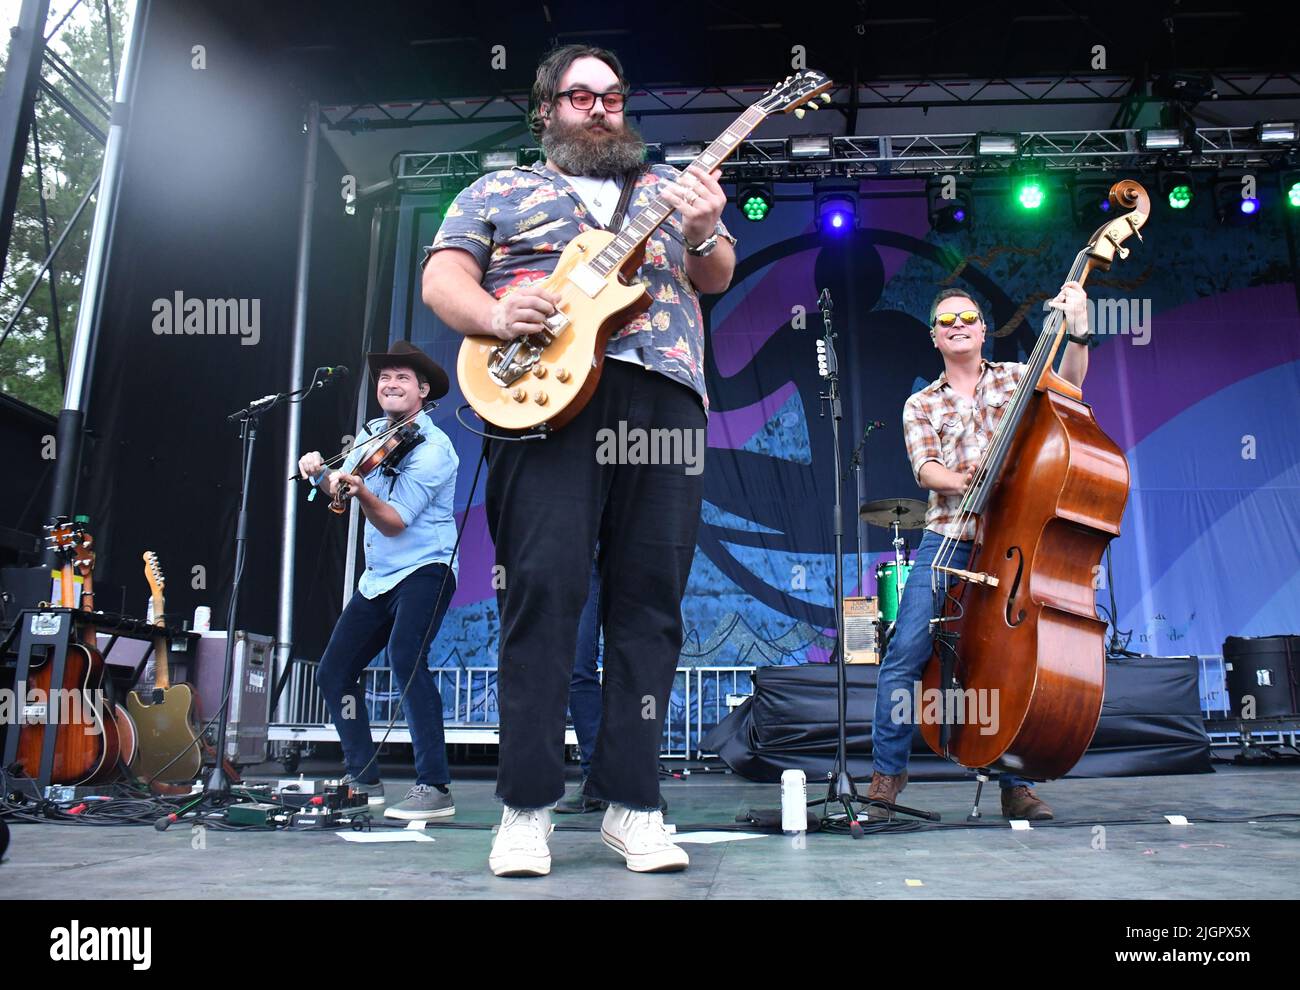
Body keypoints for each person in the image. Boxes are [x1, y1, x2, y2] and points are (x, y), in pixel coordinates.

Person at [421, 43, 735, 876]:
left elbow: (717, 275)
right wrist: (493, 314)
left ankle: (635, 804)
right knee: (544, 593)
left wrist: (703, 234)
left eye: (611, 96)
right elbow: (444, 281)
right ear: (547, 110)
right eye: (579, 96)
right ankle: (526, 809)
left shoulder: (669, 191)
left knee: (649, 601)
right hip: (544, 399)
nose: (598, 109)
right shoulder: (500, 189)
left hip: (663, 394)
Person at [868, 283, 1093, 822]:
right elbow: (924, 469)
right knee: (903, 655)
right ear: (935, 337)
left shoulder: (1019, 378)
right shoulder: (920, 403)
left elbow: (1074, 387)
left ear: (983, 329)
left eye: (967, 316)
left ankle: (1016, 780)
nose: (958, 325)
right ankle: (885, 778)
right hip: (947, 536)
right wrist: (959, 479)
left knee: (1011, 659)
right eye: (947, 321)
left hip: (1014, 538)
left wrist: (1079, 328)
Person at [297, 341, 460, 821]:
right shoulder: (370, 434)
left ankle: (435, 785)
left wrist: (360, 491)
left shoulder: (435, 449)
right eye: (385, 377)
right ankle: (364, 778)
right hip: (379, 576)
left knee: (406, 658)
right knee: (332, 671)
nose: (390, 384)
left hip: (426, 568)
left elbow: (393, 521)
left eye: (402, 378)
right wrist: (317, 474)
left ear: (423, 391)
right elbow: (341, 488)